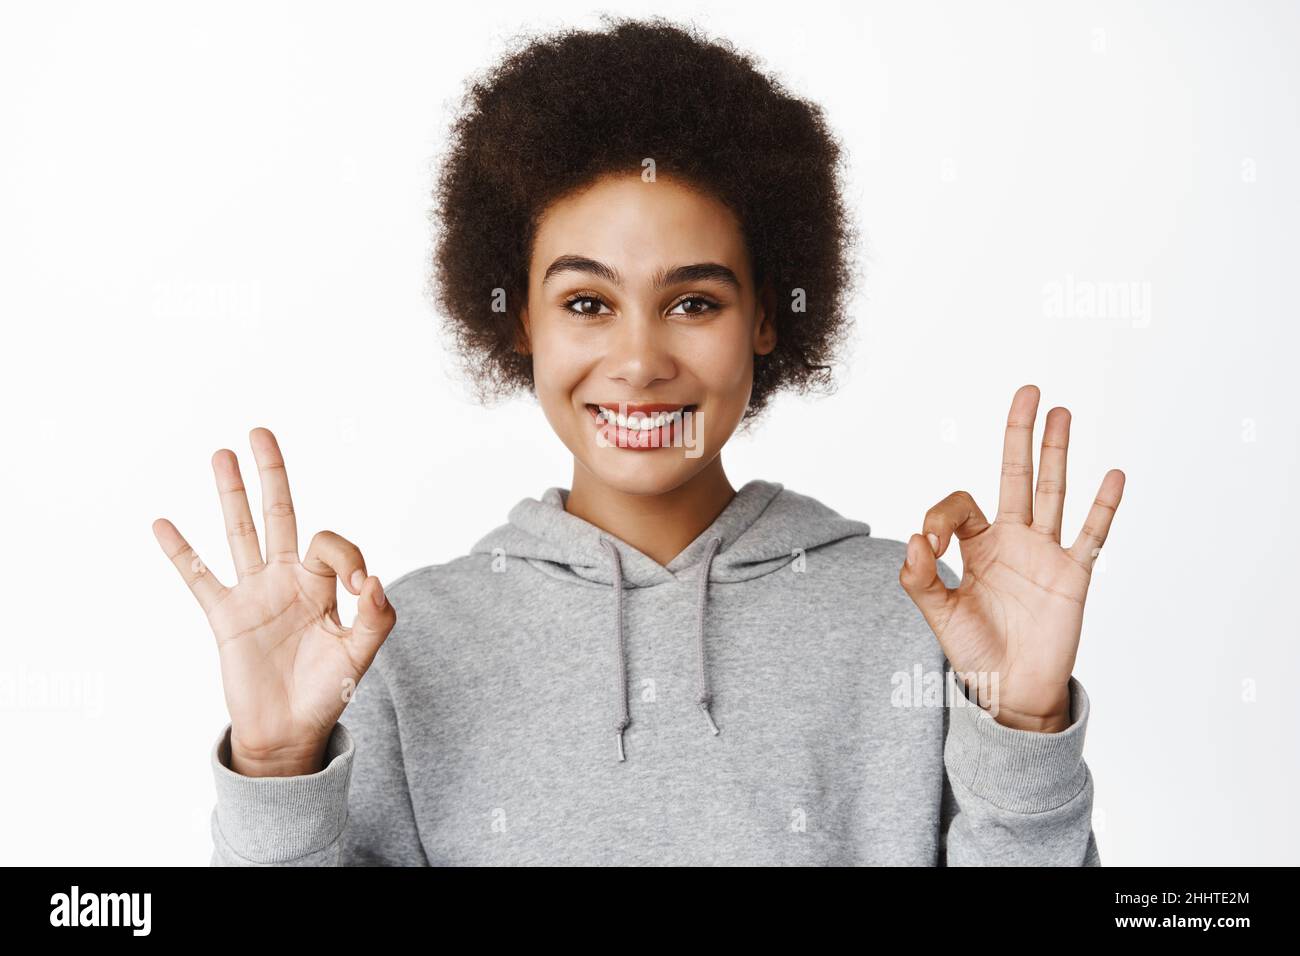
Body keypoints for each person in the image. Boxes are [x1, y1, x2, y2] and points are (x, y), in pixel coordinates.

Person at [152, 16, 1124, 866]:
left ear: (767, 318)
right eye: (586, 302)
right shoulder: (401, 646)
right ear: (518, 319)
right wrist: (276, 770)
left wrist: (1025, 726)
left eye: (692, 300)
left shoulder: (920, 620)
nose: (638, 356)